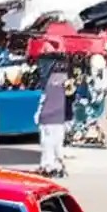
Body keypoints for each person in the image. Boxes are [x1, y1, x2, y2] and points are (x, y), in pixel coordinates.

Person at [35, 42, 70, 177]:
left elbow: (43, 98)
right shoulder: (65, 76)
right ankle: (57, 164)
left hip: (48, 116)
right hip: (59, 117)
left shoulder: (45, 79)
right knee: (56, 142)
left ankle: (48, 165)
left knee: (47, 142)